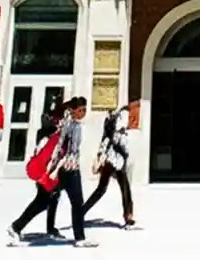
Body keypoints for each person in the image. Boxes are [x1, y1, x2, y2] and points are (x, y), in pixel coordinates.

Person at [9, 97, 97, 248]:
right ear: (73, 110)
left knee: (55, 201)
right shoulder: (68, 124)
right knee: (60, 202)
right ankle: (16, 227)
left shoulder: (70, 124)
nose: (83, 113)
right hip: (63, 169)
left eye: (85, 110)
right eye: (80, 110)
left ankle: (17, 227)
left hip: (66, 168)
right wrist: (56, 167)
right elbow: (62, 148)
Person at [82, 100, 140, 228]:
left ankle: (82, 211)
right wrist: (102, 154)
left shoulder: (114, 121)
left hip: (115, 158)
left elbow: (108, 138)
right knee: (117, 187)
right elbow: (108, 139)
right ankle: (128, 215)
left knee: (110, 187)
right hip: (113, 158)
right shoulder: (114, 123)